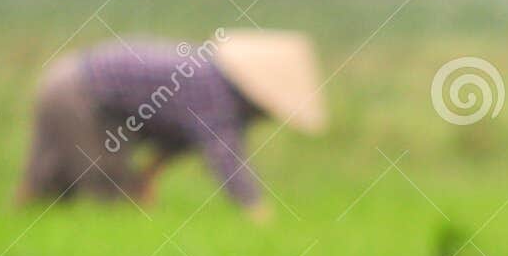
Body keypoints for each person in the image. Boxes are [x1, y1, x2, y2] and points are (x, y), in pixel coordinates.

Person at [16, 30, 325, 217]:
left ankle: (18, 237)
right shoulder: (215, 87)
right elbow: (224, 156)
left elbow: (175, 138)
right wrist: (256, 211)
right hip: (79, 95)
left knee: (48, 192)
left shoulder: (211, 80)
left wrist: (148, 174)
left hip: (66, 82)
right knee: (110, 197)